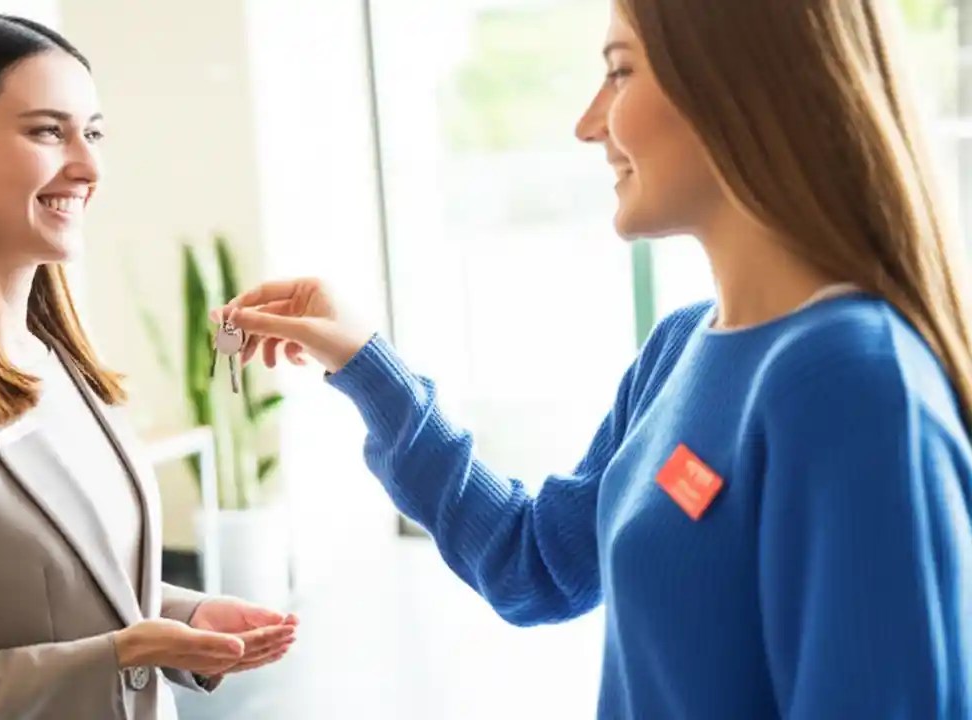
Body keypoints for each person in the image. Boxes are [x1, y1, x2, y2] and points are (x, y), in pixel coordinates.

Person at [216, 1, 972, 717]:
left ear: (742, 81)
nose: (587, 125)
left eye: (619, 72)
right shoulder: (682, 348)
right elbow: (535, 563)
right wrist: (371, 369)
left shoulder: (854, 384)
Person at [0, 14, 296, 719]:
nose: (88, 167)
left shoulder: (61, 364)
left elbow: (57, 589)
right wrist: (122, 656)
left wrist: (187, 618)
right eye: (46, 131)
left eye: (92, 132)